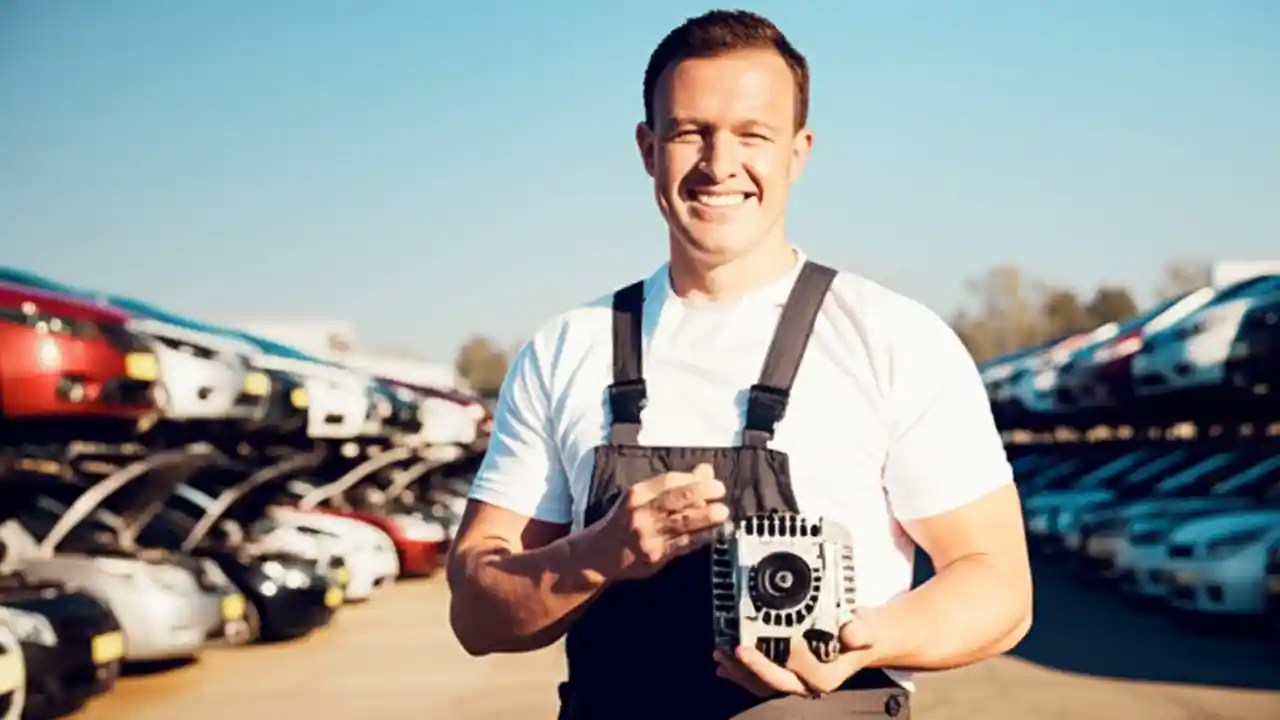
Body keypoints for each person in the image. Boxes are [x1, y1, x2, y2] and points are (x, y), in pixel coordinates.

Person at [446, 9, 1033, 719]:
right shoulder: (566, 350)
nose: (719, 165)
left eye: (753, 134)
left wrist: (861, 639)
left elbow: (999, 588)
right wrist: (597, 553)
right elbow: (477, 614)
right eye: (690, 132)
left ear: (798, 152)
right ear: (647, 147)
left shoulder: (895, 338)